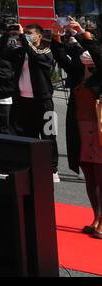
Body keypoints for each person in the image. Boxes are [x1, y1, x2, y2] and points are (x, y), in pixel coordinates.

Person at [54, 18, 102, 238]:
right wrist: (56, 39)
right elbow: (62, 58)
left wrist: (85, 35)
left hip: (99, 130)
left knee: (100, 178)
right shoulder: (76, 74)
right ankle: (96, 218)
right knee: (90, 178)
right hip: (80, 130)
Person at [6, 23, 59, 174]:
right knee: (29, 136)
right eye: (25, 32)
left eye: (30, 33)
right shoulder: (22, 51)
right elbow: (4, 53)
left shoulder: (45, 50)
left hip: (43, 102)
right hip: (24, 100)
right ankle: (33, 166)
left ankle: (52, 168)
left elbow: (36, 55)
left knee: (48, 135)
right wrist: (8, 34)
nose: (26, 34)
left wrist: (23, 37)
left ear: (39, 36)